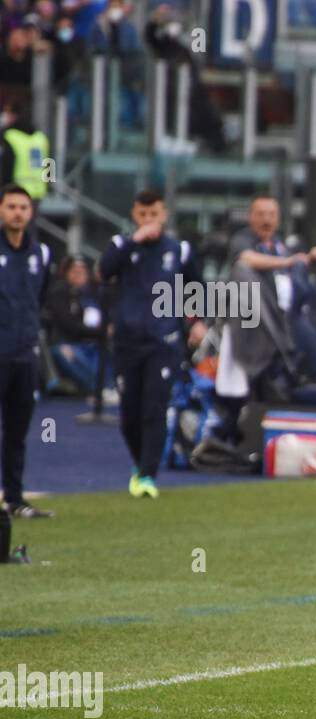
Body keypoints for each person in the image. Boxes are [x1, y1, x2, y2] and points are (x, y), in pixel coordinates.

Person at [97, 189, 207, 499]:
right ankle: (138, 464)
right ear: (134, 215)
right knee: (129, 412)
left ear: (164, 215)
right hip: (126, 341)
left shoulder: (179, 250)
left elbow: (196, 286)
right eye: (143, 214)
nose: (149, 220)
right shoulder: (122, 246)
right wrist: (135, 239)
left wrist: (197, 320)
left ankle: (147, 476)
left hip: (164, 340)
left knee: (154, 409)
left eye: (154, 214)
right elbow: (104, 271)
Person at [207, 195, 316, 449]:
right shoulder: (244, 240)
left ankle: (264, 441)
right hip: (251, 326)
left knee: (276, 383)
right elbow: (244, 261)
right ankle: (228, 436)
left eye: (271, 214)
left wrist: (306, 261)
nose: (266, 220)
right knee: (243, 382)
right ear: (251, 217)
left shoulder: (280, 245)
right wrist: (289, 261)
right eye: (260, 214)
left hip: (284, 326)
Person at [0, 184, 52, 518]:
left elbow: (39, 298)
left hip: (25, 354)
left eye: (23, 207)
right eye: (11, 206)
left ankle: (14, 499)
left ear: (31, 212)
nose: (18, 212)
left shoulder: (41, 254)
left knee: (17, 431)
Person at [43, 254, 108, 400]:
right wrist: (101, 332)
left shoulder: (86, 292)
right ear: (66, 273)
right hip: (61, 343)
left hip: (84, 342)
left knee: (106, 350)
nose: (79, 275)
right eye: (75, 271)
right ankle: (97, 389)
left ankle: (107, 386)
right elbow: (68, 324)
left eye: (82, 271)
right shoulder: (59, 291)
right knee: (69, 353)